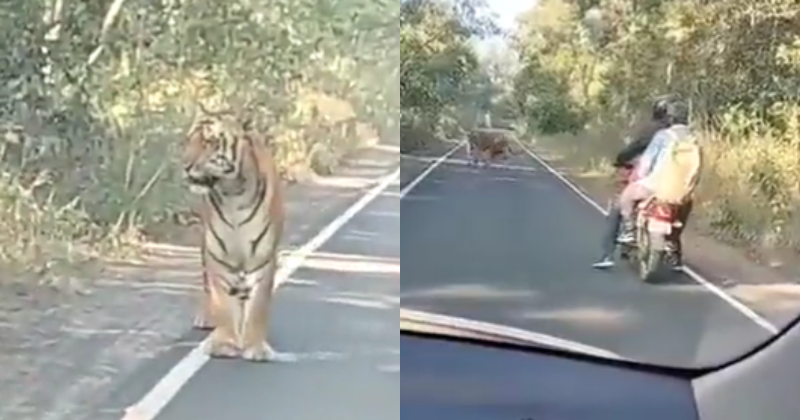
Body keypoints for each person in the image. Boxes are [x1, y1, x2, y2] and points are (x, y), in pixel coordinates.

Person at [616, 97, 699, 271]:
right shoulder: (694, 139)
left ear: (669, 118)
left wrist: (639, 177)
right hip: (682, 190)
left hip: (655, 186)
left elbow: (646, 163)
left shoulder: (663, 136)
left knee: (626, 197)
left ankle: (629, 232)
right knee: (680, 215)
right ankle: (673, 248)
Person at [591, 97, 673, 269]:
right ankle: (676, 256)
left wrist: (620, 159)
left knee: (618, 206)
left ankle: (608, 254)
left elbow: (635, 148)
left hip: (648, 179)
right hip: (674, 184)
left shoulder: (653, 130)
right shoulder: (681, 135)